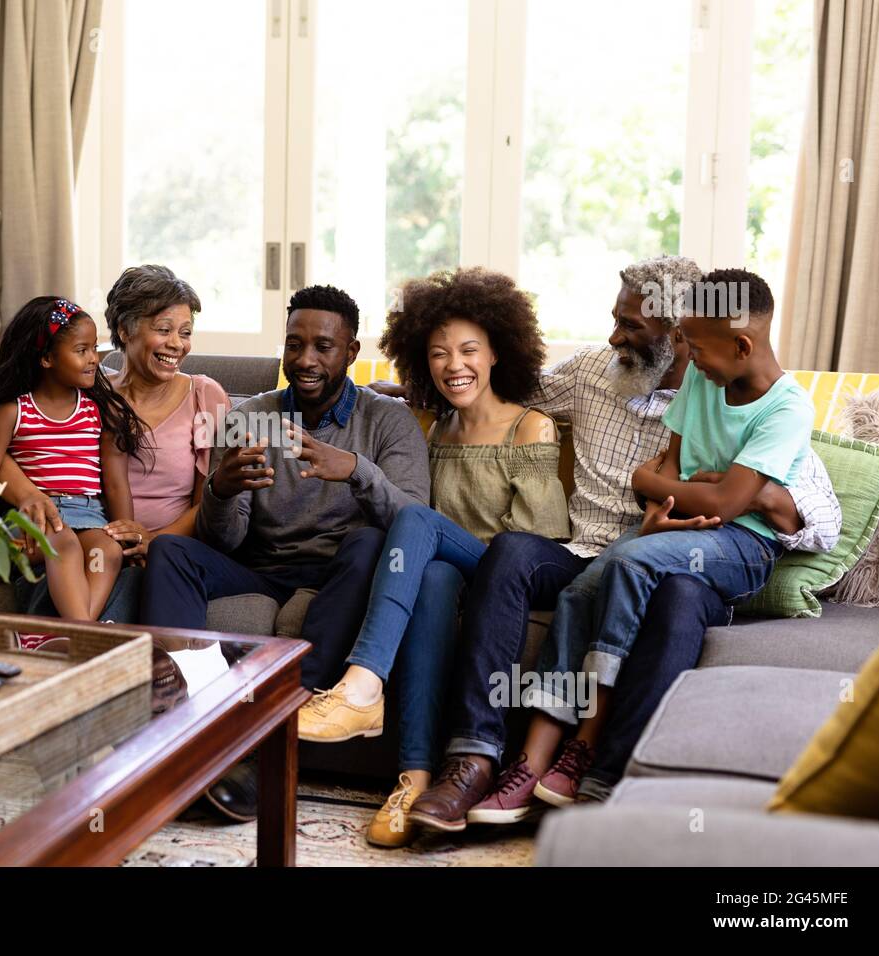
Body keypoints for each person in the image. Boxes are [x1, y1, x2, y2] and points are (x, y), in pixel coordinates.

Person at [406, 256, 841, 833]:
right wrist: (398, 394)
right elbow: (491, 383)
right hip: (583, 550)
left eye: (632, 325)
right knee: (512, 551)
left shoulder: (740, 392)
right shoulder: (592, 372)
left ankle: (604, 775)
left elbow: (817, 518)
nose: (615, 337)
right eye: (616, 319)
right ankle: (475, 759)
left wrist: (756, 498)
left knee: (675, 594)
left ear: (679, 334)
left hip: (676, 558)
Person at [292, 268, 570, 848]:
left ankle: (362, 686)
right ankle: (413, 780)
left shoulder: (530, 427)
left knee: (417, 520)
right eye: (439, 354)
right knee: (437, 579)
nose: (454, 365)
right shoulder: (433, 428)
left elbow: (538, 539)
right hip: (453, 570)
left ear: (498, 352)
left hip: (513, 573)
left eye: (469, 350)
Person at [140, 283, 430, 820]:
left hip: (343, 573)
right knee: (170, 554)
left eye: (323, 346)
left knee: (371, 542)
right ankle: (194, 721)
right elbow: (225, 540)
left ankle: (284, 711)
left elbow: (415, 529)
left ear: (351, 353)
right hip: (261, 568)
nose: (305, 359)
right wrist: (221, 492)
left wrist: (357, 472)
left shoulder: (388, 421)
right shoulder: (252, 415)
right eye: (294, 344)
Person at [0, 266, 230, 624]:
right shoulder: (89, 389)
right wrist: (32, 496)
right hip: (80, 533)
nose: (177, 344)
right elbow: (5, 447)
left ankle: (75, 648)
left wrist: (151, 540)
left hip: (162, 551)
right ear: (125, 330)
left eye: (185, 332)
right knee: (71, 564)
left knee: (124, 576)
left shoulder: (205, 396)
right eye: (163, 330)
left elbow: (211, 501)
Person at [0, 296, 147, 629]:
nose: (94, 359)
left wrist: (124, 534)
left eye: (95, 348)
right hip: (39, 521)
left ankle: (80, 628)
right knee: (64, 545)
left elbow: (114, 483)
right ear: (48, 358)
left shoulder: (97, 411)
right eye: (82, 351)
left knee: (105, 552)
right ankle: (85, 631)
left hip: (89, 514)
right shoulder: (14, 412)